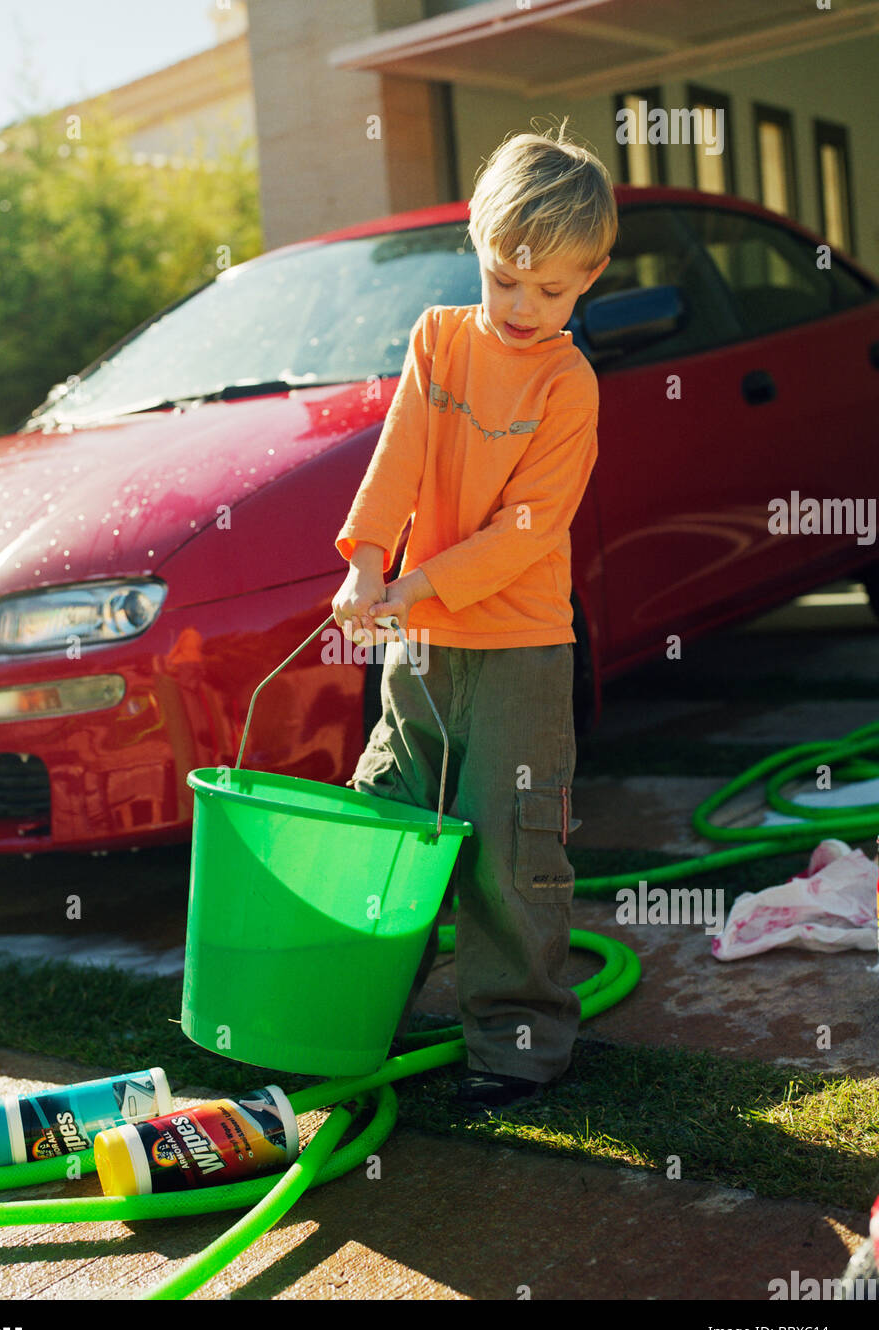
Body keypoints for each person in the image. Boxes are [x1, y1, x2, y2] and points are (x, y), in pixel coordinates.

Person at [331, 122, 617, 1116]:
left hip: (522, 652)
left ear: (592, 277)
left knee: (507, 843)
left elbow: (524, 533)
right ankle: (349, 1007)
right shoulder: (438, 339)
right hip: (422, 646)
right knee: (389, 818)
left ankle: (517, 1046)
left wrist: (412, 587)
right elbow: (397, 461)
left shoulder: (567, 384)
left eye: (555, 290)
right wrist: (368, 563)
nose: (527, 308)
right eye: (507, 280)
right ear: (478, 247)